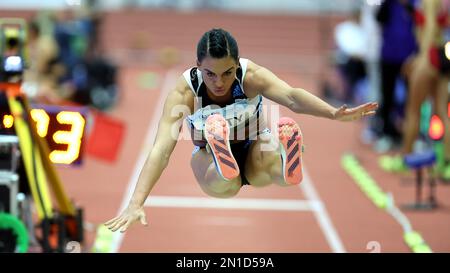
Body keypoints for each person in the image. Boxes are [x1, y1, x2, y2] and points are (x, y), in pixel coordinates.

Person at [105, 28, 378, 233]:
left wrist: (333, 113)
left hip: (254, 145)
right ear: (198, 66)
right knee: (228, 183)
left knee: (262, 172)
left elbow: (293, 97)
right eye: (210, 74)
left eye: (226, 73)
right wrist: (136, 202)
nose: (219, 82)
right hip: (210, 153)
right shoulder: (185, 91)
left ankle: (286, 165)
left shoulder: (251, 76)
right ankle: (227, 159)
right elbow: (161, 150)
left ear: (237, 65)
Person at [381, 0, 450, 181]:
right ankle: (445, 165)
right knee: (442, 112)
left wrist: (421, 58)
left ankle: (406, 159)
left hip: (429, 57)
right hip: (441, 57)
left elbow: (430, 26)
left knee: (413, 110)